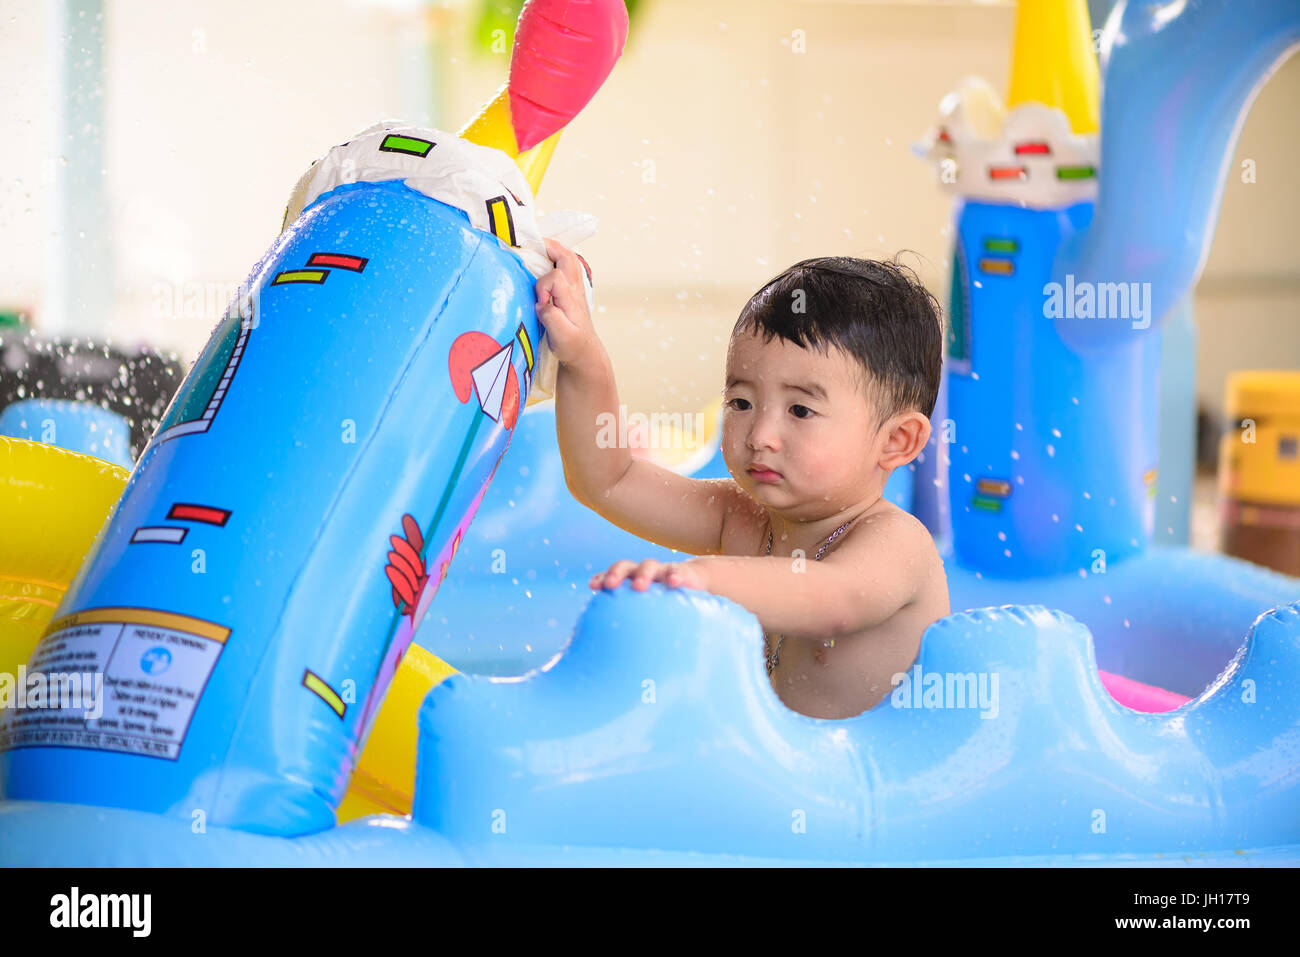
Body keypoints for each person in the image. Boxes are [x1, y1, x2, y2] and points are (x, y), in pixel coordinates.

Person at [535, 241, 950, 718]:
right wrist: (584, 356)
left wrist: (701, 578)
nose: (760, 435)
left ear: (896, 440)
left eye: (800, 410)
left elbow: (834, 598)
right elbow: (608, 480)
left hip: (867, 784)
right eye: (741, 403)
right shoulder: (741, 517)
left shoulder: (898, 542)